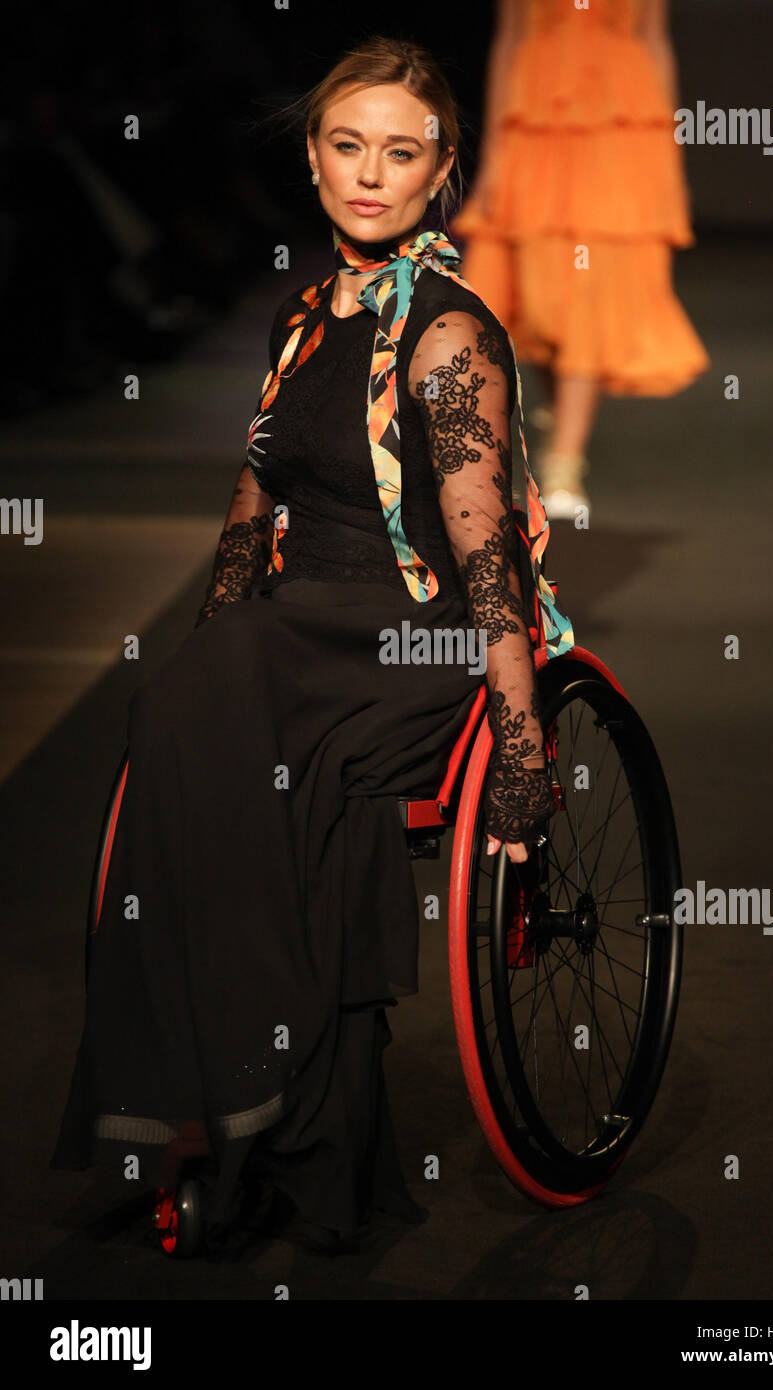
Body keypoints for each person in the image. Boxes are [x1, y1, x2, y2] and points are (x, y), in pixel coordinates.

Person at [49, 35, 576, 1260]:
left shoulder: (446, 337)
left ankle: (261, 1118)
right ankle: (214, 1111)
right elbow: (254, 503)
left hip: (411, 631)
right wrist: (210, 635)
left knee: (233, 710)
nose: (369, 174)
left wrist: (520, 733)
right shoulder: (303, 318)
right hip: (299, 621)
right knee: (186, 702)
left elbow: (484, 546)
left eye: (400, 152)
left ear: (442, 171)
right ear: (312, 156)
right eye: (347, 146)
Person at [451, 0, 710, 517]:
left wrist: (669, 154)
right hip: (537, 123)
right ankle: (554, 427)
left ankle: (565, 461)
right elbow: (509, 40)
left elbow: (655, 40)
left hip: (621, 128)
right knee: (541, 300)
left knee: (590, 289)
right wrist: (497, 155)